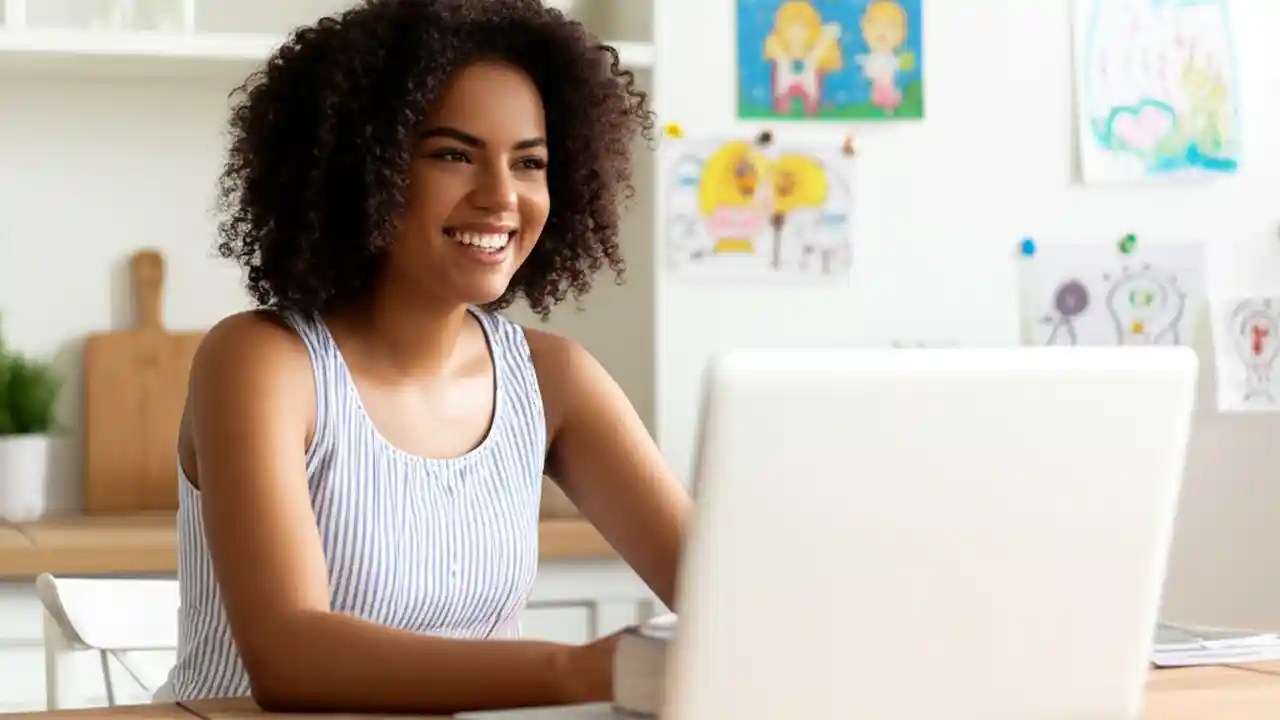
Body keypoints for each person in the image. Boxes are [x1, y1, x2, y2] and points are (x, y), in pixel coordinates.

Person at [160, 0, 692, 713]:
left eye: (529, 163)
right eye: (452, 154)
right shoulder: (263, 363)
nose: (502, 196)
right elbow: (291, 658)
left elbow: (725, 597)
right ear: (362, 169)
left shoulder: (553, 378)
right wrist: (585, 670)